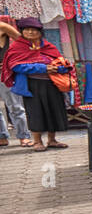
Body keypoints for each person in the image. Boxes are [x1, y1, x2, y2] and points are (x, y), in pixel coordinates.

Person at [1, 18, 71, 151]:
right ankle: (37, 141)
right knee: (35, 112)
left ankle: (52, 140)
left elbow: (59, 60)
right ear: (22, 32)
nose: (31, 32)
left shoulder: (48, 46)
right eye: (27, 30)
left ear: (40, 32)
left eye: (34, 30)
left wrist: (59, 68)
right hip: (31, 85)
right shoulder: (17, 47)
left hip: (52, 83)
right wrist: (43, 68)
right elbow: (15, 66)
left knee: (53, 110)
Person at [0, 17, 34, 148]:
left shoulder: (2, 26)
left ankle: (23, 136)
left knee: (14, 106)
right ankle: (2, 136)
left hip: (3, 72)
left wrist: (14, 59)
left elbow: (24, 43)